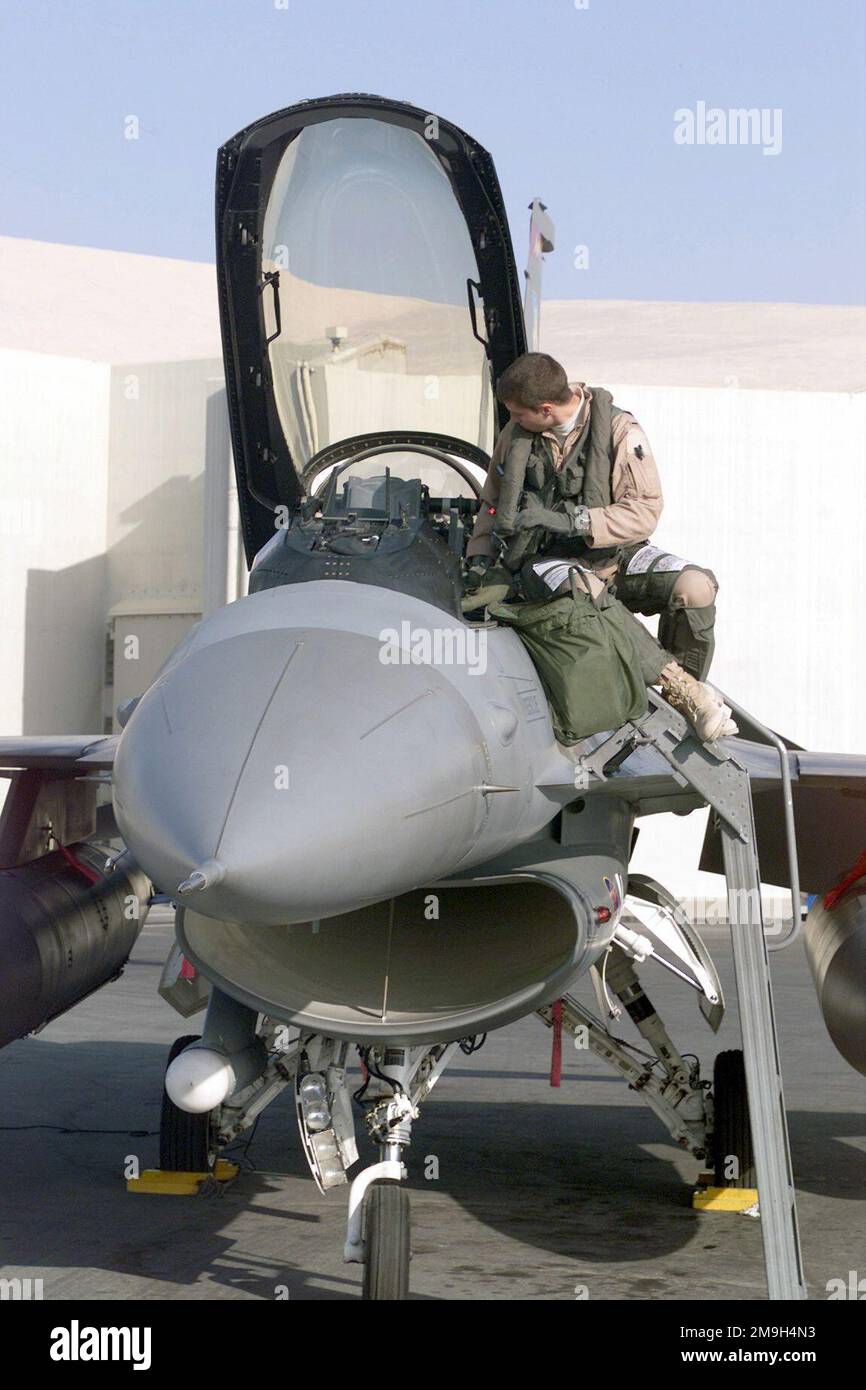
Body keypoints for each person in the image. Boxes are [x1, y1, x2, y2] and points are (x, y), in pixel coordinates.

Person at [463, 352, 737, 742]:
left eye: (520, 414)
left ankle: (683, 684)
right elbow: (492, 502)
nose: (514, 421)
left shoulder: (619, 430)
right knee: (585, 588)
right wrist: (479, 558)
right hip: (545, 560)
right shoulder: (516, 436)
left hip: (615, 552)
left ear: (545, 409)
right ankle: (683, 690)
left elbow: (644, 511)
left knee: (696, 588)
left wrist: (579, 521)